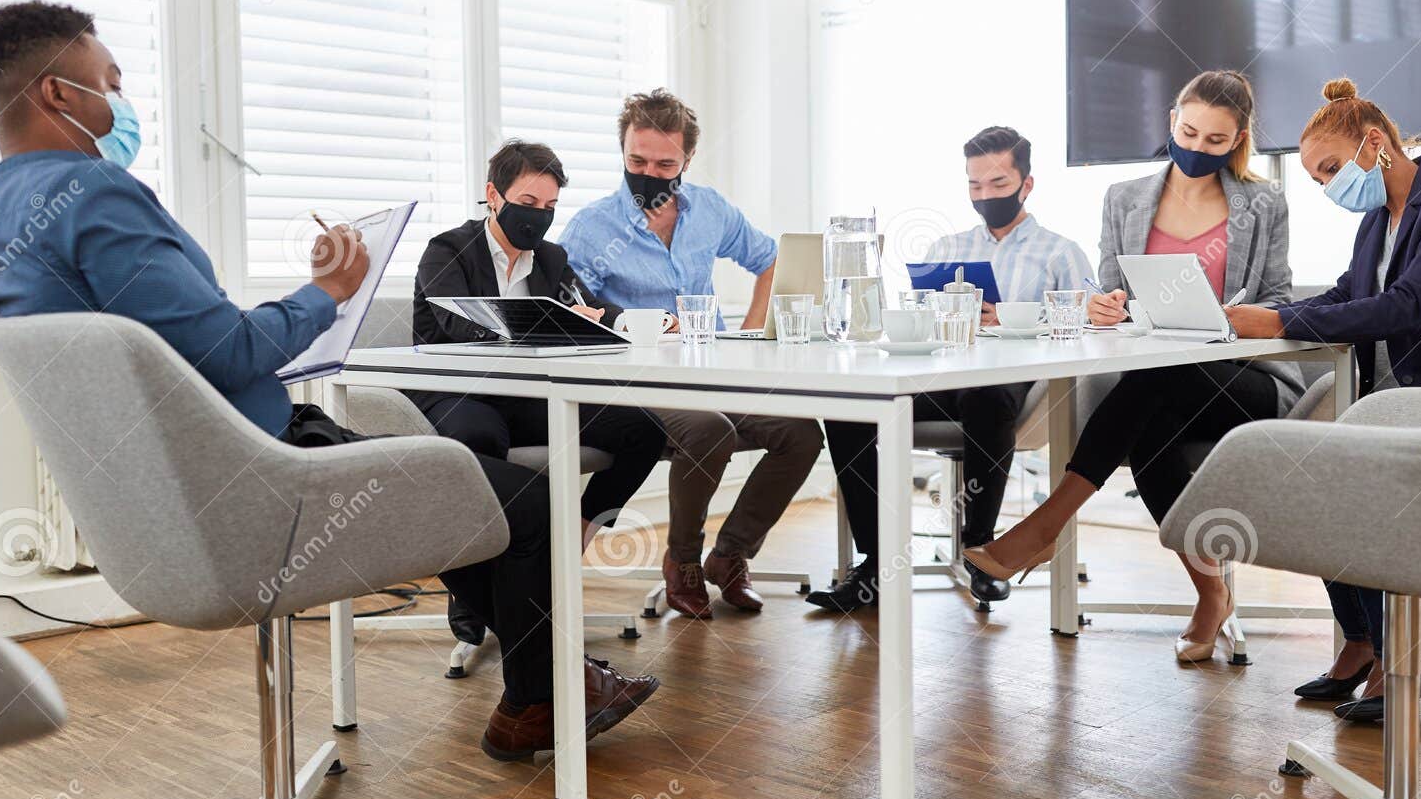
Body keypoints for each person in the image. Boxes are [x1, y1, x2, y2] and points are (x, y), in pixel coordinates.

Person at [0, 0, 658, 762]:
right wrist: (328, 291)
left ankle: (552, 685)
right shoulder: (96, 196)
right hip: (259, 477)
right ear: (59, 95)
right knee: (523, 500)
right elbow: (232, 351)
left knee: (475, 490)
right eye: (111, 80)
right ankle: (544, 698)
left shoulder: (6, 213)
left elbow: (188, 352)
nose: (123, 100)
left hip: (175, 498)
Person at [962, 71, 1302, 659]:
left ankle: (1045, 528)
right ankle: (1211, 594)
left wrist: (1227, 314)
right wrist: (1106, 303)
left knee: (1159, 379)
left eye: (1214, 142)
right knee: (1152, 436)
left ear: (1238, 139)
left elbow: (1279, 299)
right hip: (1161, 385)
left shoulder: (1264, 202)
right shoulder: (1124, 199)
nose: (1196, 148)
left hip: (1246, 379)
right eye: (1189, 131)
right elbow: (1111, 294)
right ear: (1172, 120)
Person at [1225, 77, 1421, 720]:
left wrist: (1279, 326)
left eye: (1331, 168)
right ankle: (1362, 643)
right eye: (1316, 179)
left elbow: (1414, 304)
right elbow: (1344, 296)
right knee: (1318, 481)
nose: (1329, 186)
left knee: (1350, 490)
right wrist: (1262, 313)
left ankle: (1405, 662)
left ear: (1376, 143)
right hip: (1395, 404)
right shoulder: (1375, 221)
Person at [560, 88, 824, 620]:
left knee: (800, 433)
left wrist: (750, 334)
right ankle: (682, 562)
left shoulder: (709, 211)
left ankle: (729, 557)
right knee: (709, 430)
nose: (649, 173)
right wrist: (633, 326)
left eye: (665, 163)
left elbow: (771, 260)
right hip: (639, 381)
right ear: (622, 152)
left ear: (687, 160)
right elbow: (569, 310)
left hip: (713, 368)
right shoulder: (594, 227)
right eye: (637, 160)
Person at [809, 125, 1095, 612]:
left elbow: (1090, 325)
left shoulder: (1060, 252)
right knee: (849, 408)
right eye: (974, 185)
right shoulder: (946, 248)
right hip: (943, 371)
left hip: (1012, 381)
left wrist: (1009, 317)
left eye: (998, 185)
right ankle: (876, 562)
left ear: (1027, 184)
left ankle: (982, 550)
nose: (985, 196)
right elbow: (918, 315)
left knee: (985, 395)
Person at [408, 138, 668, 646]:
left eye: (549, 208)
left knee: (642, 427)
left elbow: (590, 309)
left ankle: (572, 541)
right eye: (528, 205)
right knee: (476, 440)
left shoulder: (549, 258)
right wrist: (537, 326)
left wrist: (635, 322)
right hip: (459, 392)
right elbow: (457, 324)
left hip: (528, 395)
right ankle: (473, 582)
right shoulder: (448, 249)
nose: (539, 218)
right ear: (493, 195)